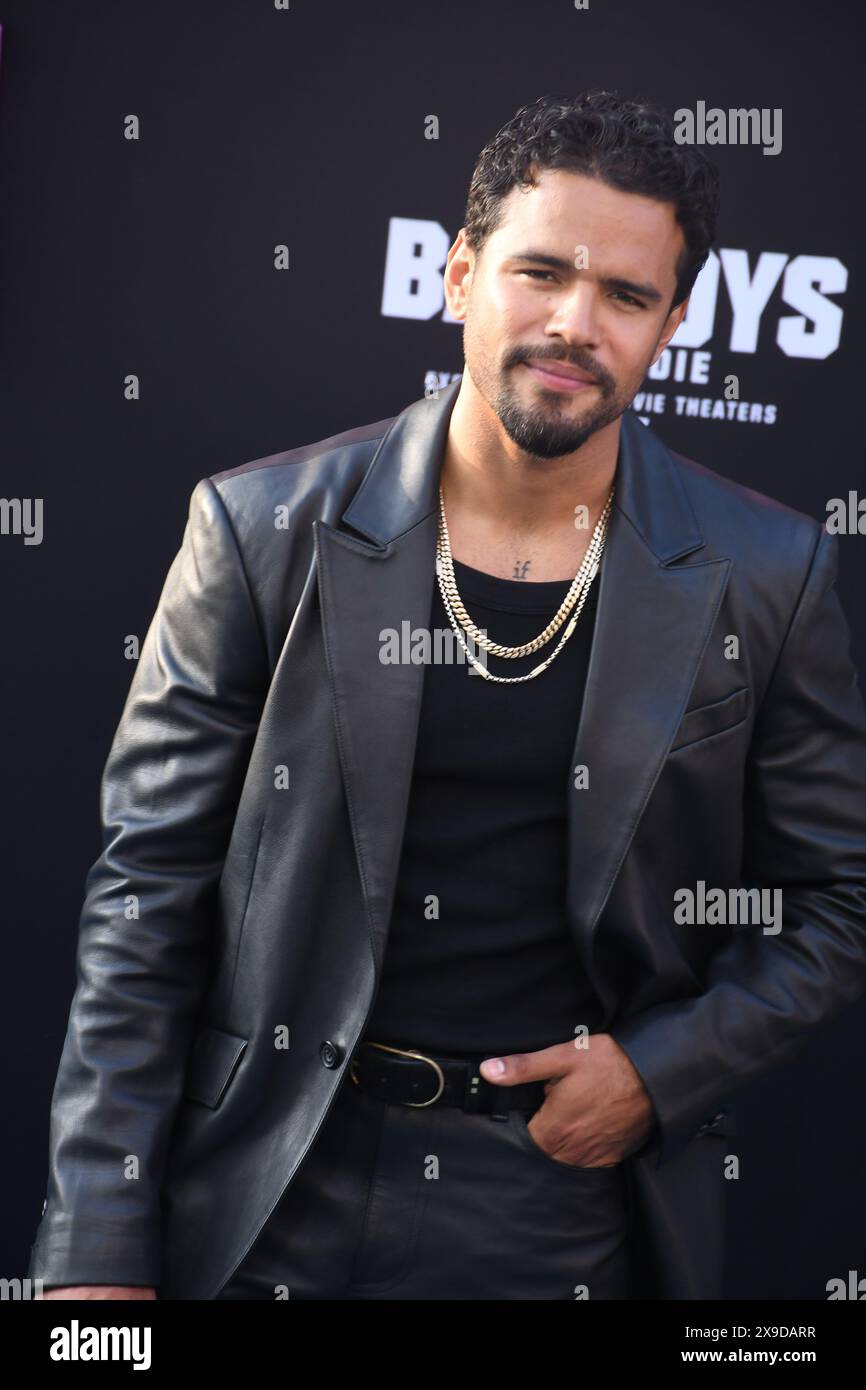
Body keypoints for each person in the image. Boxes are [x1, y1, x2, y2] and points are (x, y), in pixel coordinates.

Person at [32, 90, 866, 1302]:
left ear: (673, 324)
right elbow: (144, 896)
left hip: (555, 1198)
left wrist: (655, 1071)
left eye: (625, 296)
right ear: (457, 273)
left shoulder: (766, 575)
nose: (574, 324)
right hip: (266, 1177)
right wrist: (93, 1254)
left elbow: (839, 895)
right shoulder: (262, 531)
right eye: (538, 274)